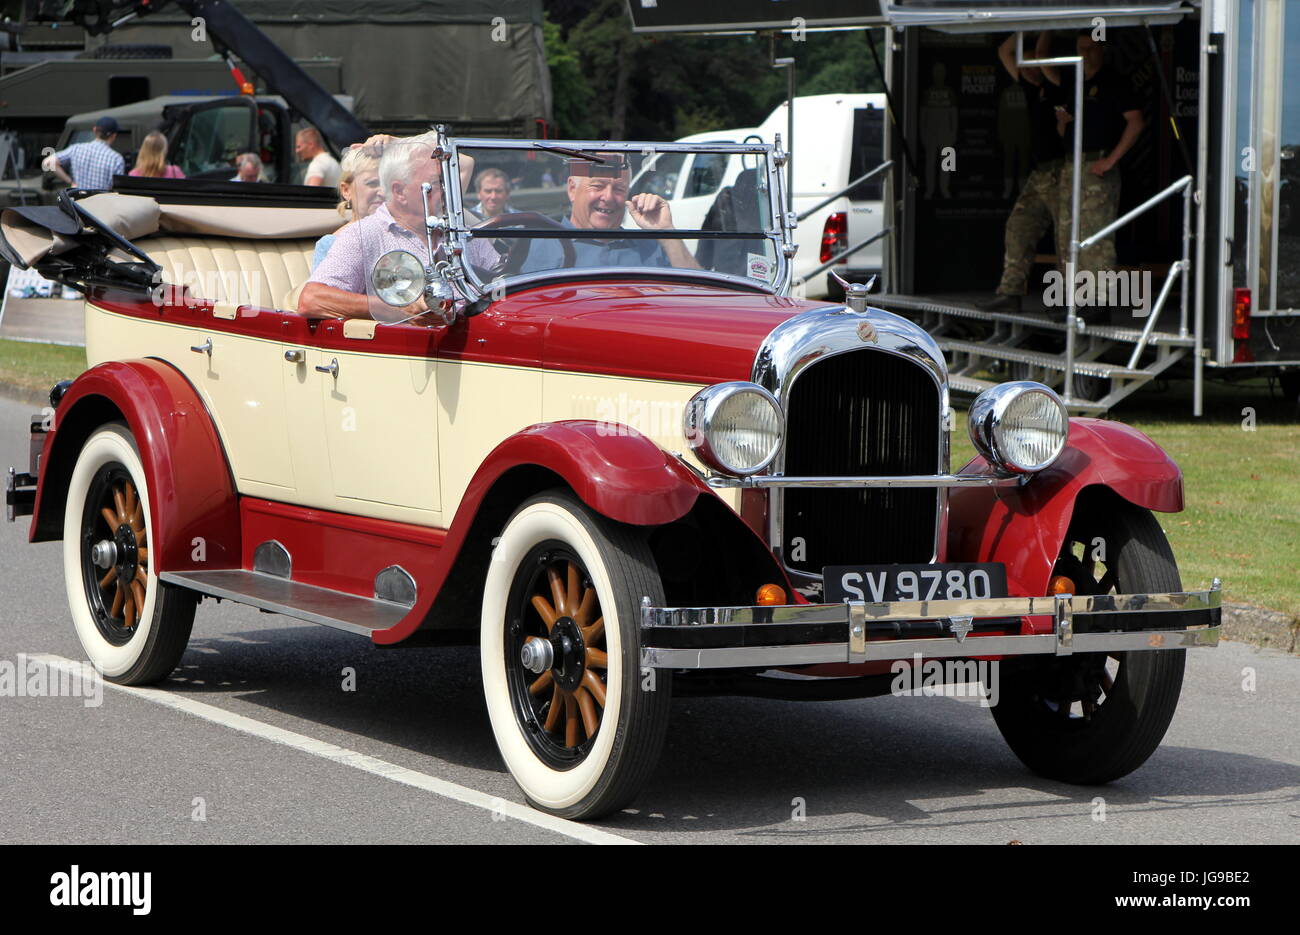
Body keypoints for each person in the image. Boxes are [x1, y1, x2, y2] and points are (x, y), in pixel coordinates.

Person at [299, 134, 497, 321]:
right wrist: (401, 309)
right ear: (399, 191)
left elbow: (504, 283)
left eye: (447, 183)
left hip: (481, 333)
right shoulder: (363, 234)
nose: (448, 192)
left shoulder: (460, 232)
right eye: (435, 184)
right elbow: (311, 299)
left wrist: (400, 143)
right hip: (411, 342)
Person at [1043, 31, 1145, 315]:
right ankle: (1069, 300)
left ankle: (1098, 302)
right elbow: (1064, 131)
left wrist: (1110, 161)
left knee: (1095, 237)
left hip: (1096, 166)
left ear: (1103, 50)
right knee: (1067, 234)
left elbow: (1136, 122)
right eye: (1081, 48)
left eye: (1091, 48)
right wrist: (1063, 123)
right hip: (1071, 165)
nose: (1086, 54)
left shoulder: (1114, 82)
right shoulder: (1073, 82)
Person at [979, 32, 1063, 313]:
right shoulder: (1029, 87)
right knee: (1018, 226)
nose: (1027, 70)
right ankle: (1010, 292)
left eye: (1032, 65)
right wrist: (1025, 26)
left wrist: (1045, 24)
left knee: (1065, 237)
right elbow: (1004, 52)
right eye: (1023, 66)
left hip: (1063, 171)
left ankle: (1066, 299)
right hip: (1040, 173)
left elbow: (1040, 56)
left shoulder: (1058, 85)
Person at [517, 154, 700, 273]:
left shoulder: (650, 248)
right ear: (572, 189)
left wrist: (666, 233)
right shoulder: (534, 247)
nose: (609, 197)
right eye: (598, 186)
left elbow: (698, 296)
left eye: (619, 189)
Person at [312, 142, 385, 270]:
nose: (382, 192)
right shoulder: (332, 245)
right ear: (346, 190)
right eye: (372, 183)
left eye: (388, 184)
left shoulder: (405, 234)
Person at [42, 116, 125, 190]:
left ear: (94, 130)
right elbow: (118, 188)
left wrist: (71, 182)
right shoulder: (116, 159)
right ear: (114, 135)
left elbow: (48, 162)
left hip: (78, 200)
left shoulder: (76, 149)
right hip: (102, 201)